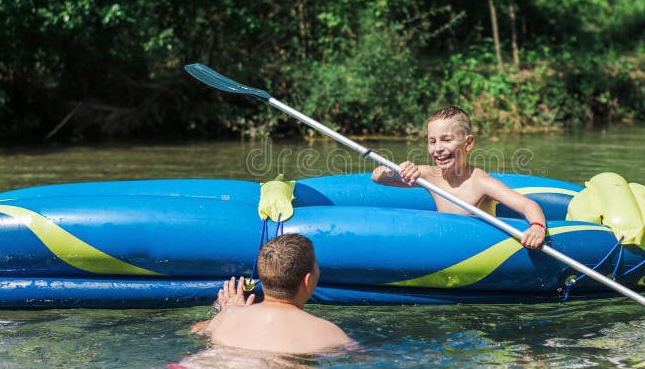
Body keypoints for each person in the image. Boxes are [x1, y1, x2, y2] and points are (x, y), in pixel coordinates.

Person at [371, 105, 547, 249]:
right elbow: (377, 177)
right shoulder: (429, 176)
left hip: (477, 248)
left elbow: (528, 205)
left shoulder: (481, 183)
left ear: (468, 143)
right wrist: (396, 170)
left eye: (446, 140)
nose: (438, 148)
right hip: (444, 244)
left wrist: (537, 227)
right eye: (432, 141)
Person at [192, 233, 354, 354]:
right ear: (308, 280)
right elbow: (362, 357)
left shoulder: (228, 317)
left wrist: (230, 312)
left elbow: (195, 331)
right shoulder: (329, 333)